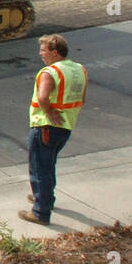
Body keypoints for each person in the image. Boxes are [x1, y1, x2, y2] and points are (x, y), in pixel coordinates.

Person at [21, 34, 88, 225]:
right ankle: (45, 199)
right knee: (48, 165)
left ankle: (40, 212)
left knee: (39, 168)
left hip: (45, 126)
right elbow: (81, 97)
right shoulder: (79, 70)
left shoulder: (49, 72)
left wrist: (49, 112)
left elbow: (43, 97)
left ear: (55, 52)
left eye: (44, 50)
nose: (40, 54)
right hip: (65, 127)